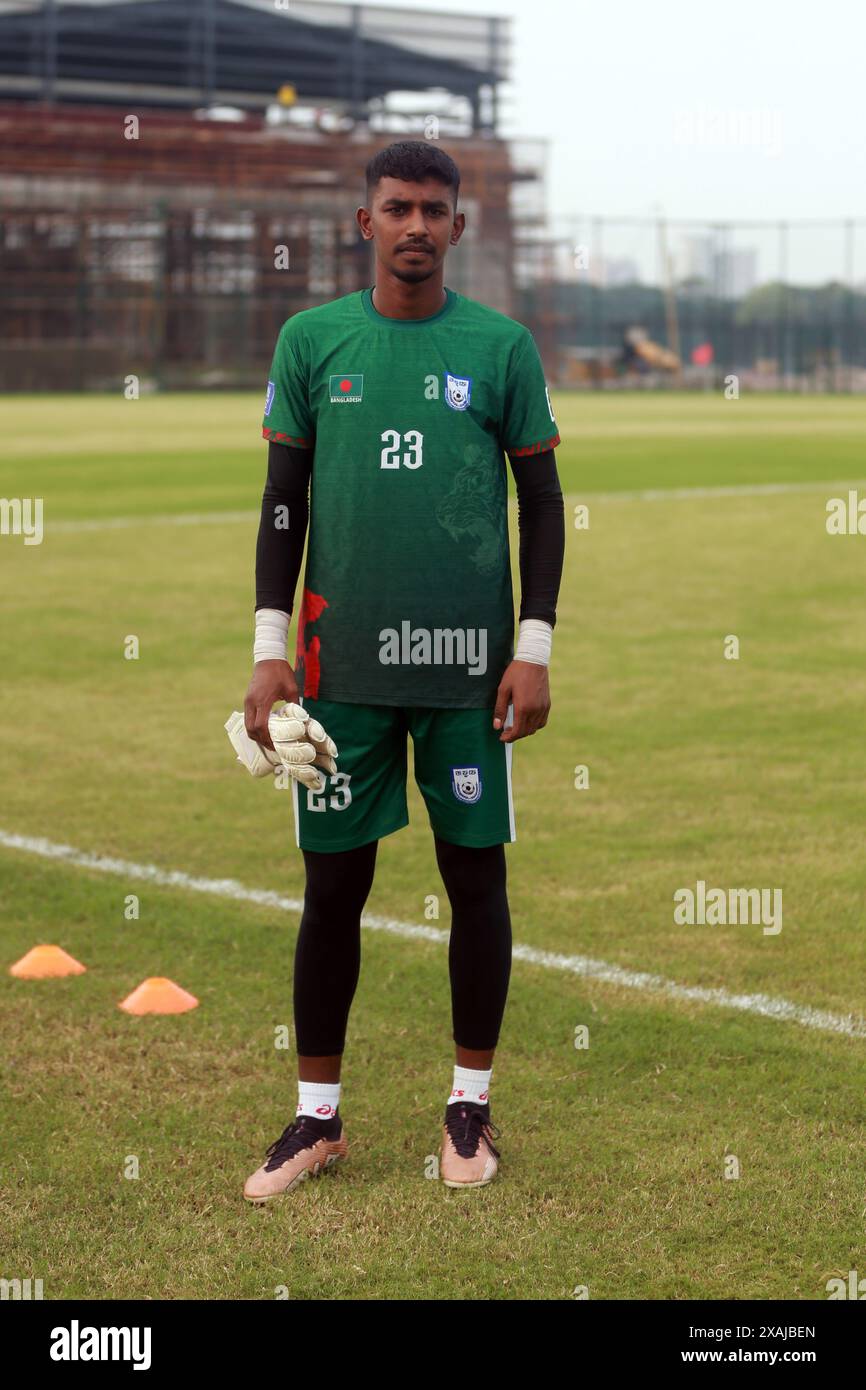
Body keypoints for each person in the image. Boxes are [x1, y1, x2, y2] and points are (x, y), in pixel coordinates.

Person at [242, 141, 564, 1201]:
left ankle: (467, 1107)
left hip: (470, 679)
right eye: (396, 208)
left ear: (459, 229)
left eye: (433, 209)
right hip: (339, 675)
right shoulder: (311, 339)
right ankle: (317, 1120)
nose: (415, 224)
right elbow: (282, 504)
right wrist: (267, 650)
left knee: (475, 879)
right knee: (333, 887)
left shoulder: (502, 347)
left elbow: (542, 506)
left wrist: (531, 650)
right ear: (364, 223)